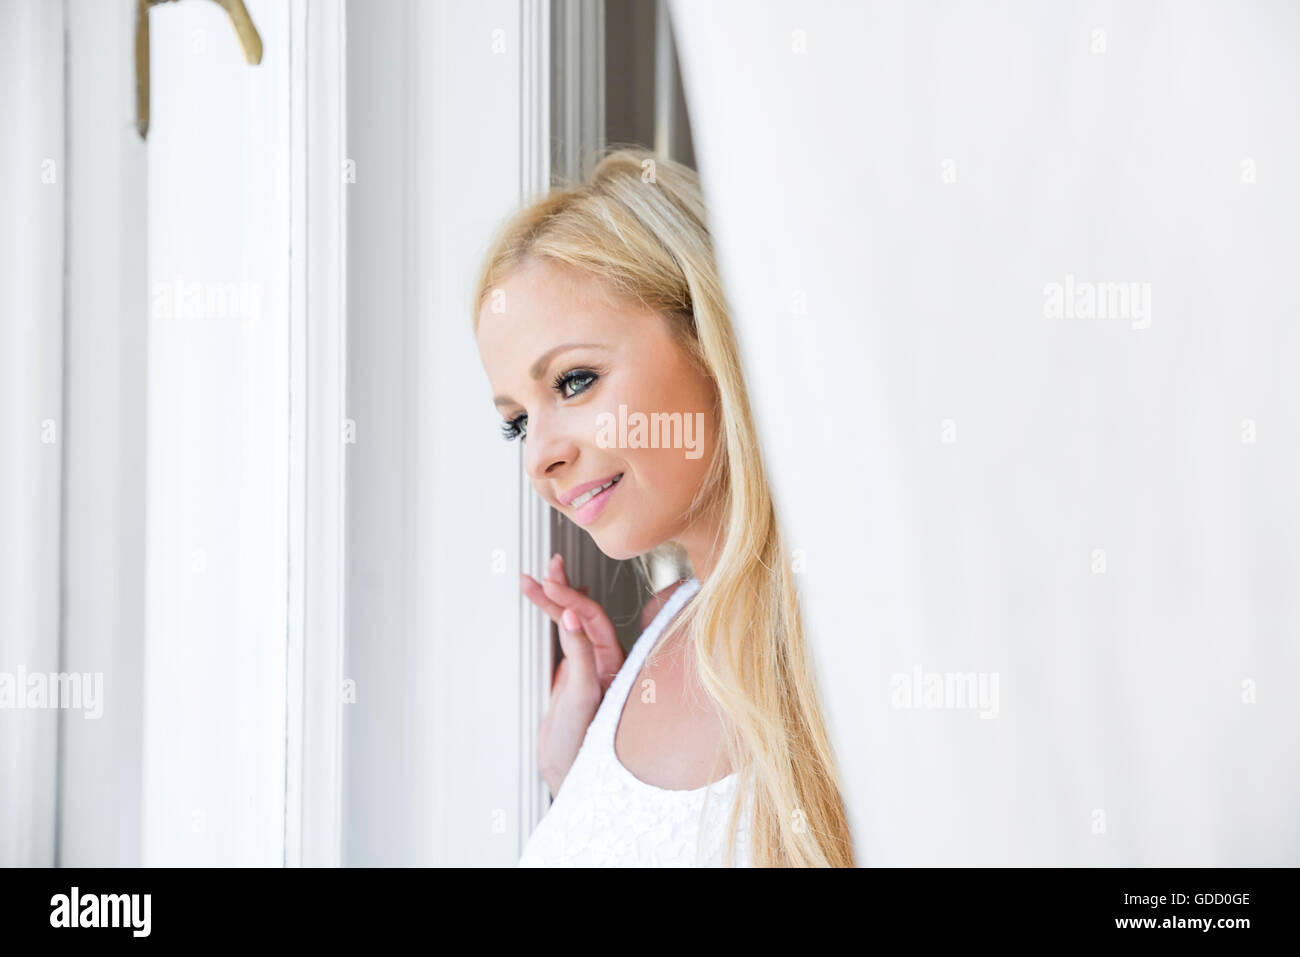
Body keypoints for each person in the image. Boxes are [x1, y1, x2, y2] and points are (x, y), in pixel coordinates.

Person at [473, 147, 855, 867]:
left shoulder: (853, 639)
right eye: (517, 420)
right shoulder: (663, 631)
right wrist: (577, 773)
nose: (538, 456)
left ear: (711, 335)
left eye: (575, 380)